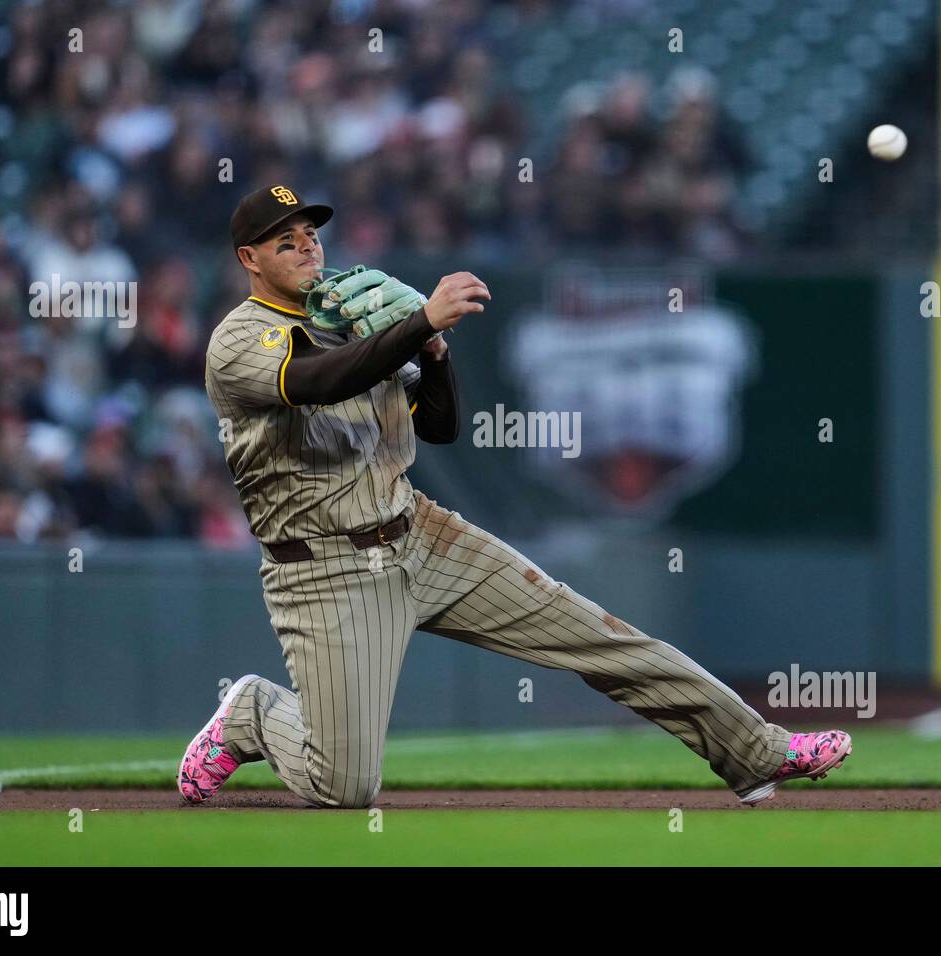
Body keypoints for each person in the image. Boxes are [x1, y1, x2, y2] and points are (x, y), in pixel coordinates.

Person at [179, 184, 851, 808]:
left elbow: (437, 427)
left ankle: (757, 752)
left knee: (599, 636)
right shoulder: (239, 338)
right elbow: (318, 380)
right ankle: (255, 713)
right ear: (250, 259)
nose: (307, 249)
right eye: (285, 242)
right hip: (323, 569)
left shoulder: (354, 318)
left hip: (416, 531)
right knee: (344, 787)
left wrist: (436, 355)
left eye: (311, 236)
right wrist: (411, 329)